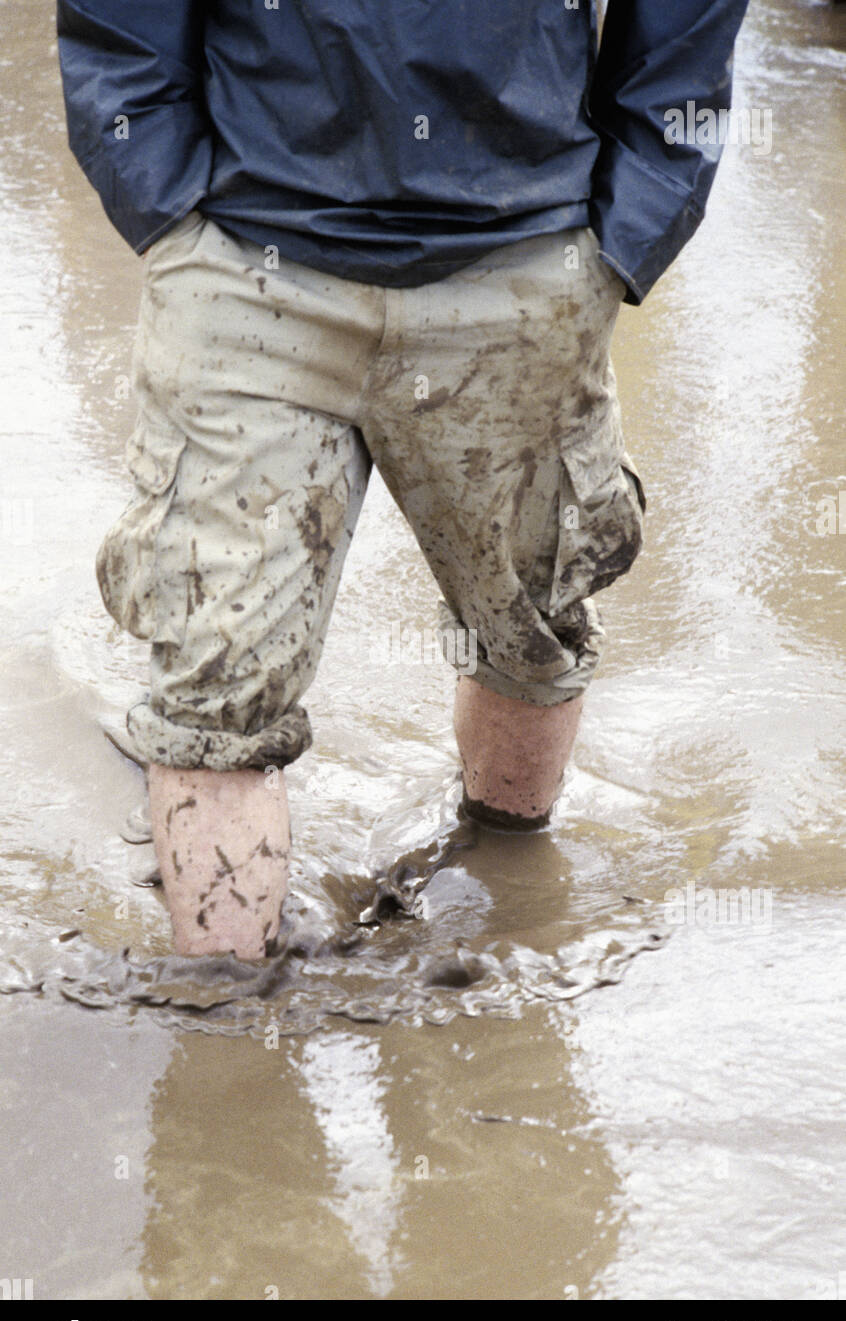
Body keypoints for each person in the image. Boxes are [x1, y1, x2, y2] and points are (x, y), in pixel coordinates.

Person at [57, 0, 750, 960]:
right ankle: (224, 1046)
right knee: (212, 685)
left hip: (527, 264)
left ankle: (503, 906)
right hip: (242, 264)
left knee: (530, 625)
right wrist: (163, 207)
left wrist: (627, 233)